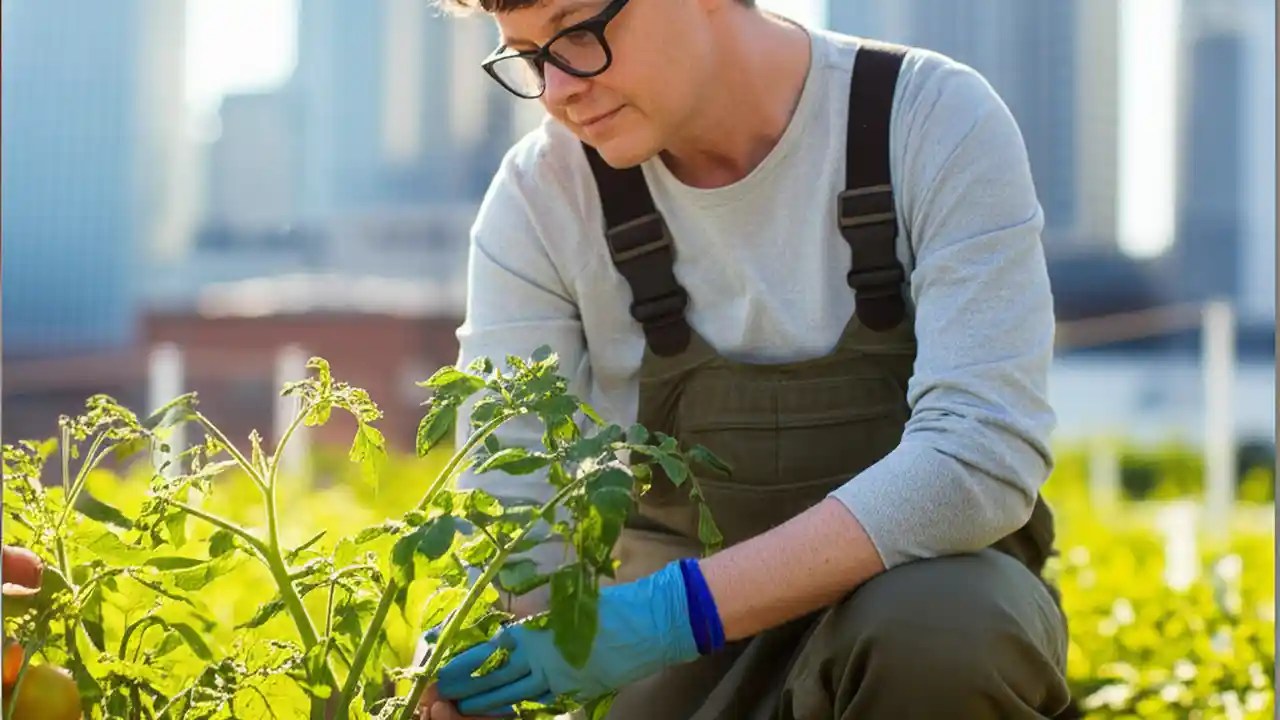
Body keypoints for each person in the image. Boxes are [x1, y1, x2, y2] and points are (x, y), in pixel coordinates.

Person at [418, 0, 1071, 718]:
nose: (559, 90)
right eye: (530, 56)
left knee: (943, 633)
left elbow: (979, 455)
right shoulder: (543, 195)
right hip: (672, 669)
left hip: (907, 613)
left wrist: (673, 614)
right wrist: (473, 650)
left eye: (577, 33)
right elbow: (510, 502)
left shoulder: (927, 119)